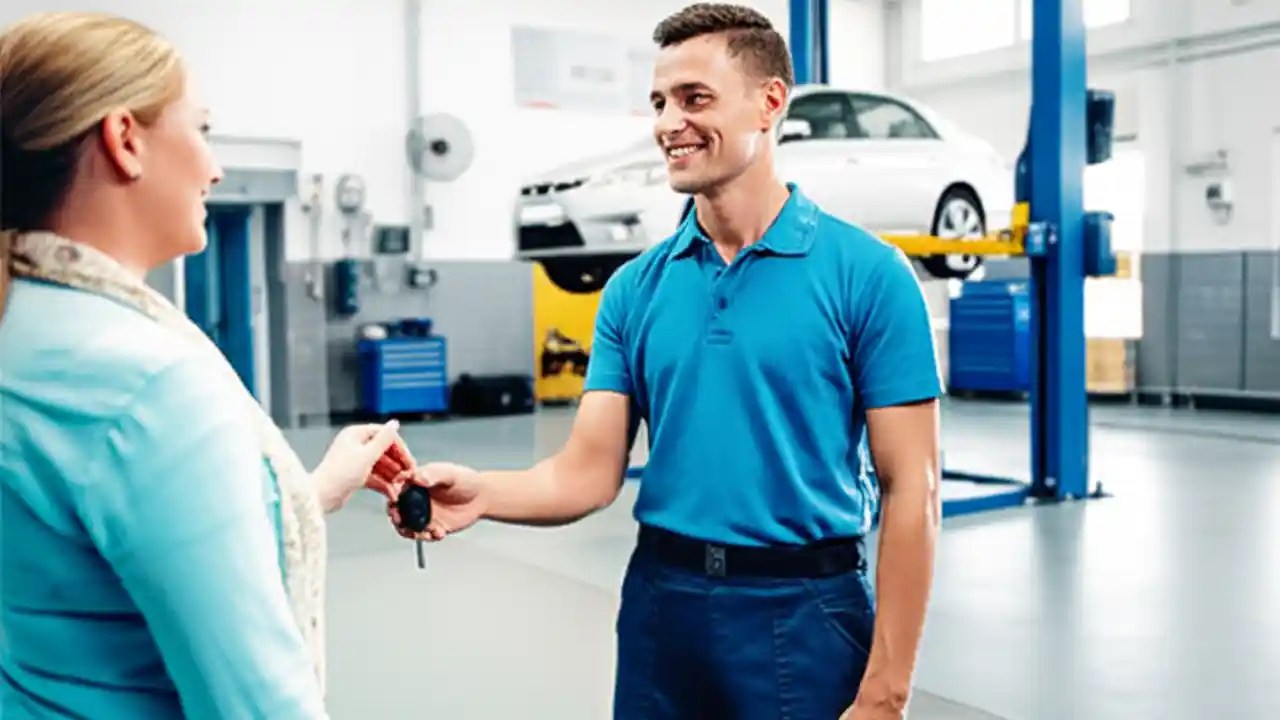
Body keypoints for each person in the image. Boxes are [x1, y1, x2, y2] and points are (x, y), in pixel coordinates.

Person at [389, 3, 943, 719]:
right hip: (661, 606)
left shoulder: (868, 275)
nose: (666, 124)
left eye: (694, 99)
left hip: (804, 611)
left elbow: (912, 490)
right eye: (658, 102)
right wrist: (484, 494)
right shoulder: (634, 290)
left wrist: (886, 693)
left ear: (770, 102)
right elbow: (587, 473)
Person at [0, 12, 411, 719]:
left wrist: (312, 492)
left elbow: (107, 562)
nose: (215, 167)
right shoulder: (149, 381)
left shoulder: (23, 331)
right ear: (125, 140)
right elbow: (256, 705)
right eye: (203, 130)